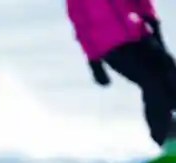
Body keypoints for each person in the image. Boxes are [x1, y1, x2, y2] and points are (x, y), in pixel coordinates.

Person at [68, 0, 176, 152]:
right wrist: (94, 62)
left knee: (170, 73)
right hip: (112, 48)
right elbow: (81, 26)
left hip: (139, 34)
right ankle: (167, 137)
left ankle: (170, 124)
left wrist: (152, 20)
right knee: (151, 82)